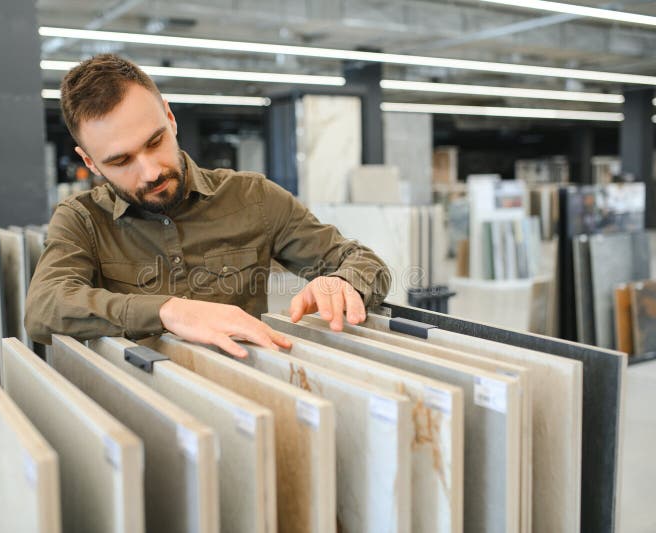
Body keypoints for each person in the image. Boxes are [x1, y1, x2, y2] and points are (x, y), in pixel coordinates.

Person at [24, 54, 390, 357]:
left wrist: (344, 282)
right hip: (139, 414)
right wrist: (171, 311)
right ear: (89, 162)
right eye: (121, 162)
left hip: (248, 404)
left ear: (170, 118)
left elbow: (363, 262)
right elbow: (44, 307)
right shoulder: (82, 220)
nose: (150, 172)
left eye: (154, 142)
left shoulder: (254, 199)